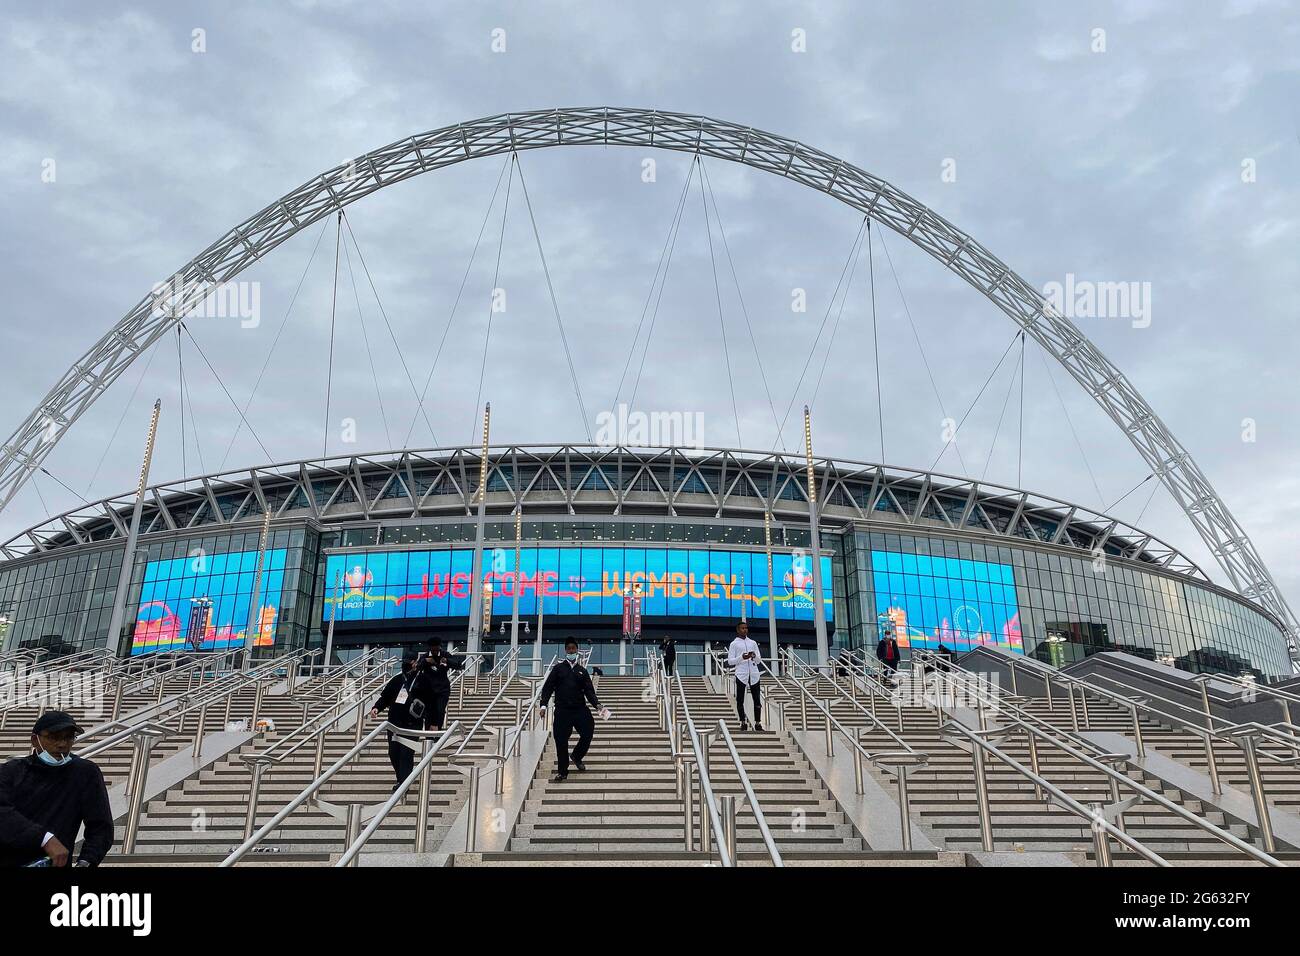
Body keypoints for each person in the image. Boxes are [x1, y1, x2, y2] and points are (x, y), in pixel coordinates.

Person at [0, 711, 113, 867]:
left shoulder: (85, 773)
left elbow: (100, 827)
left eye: (68, 737)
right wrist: (45, 838)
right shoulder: (11, 771)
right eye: (53, 737)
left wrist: (87, 861)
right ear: (35, 740)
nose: (62, 744)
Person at [539, 637, 608, 782]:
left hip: (579, 709)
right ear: (565, 651)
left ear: (576, 650)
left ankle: (576, 756)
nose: (571, 651)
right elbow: (548, 687)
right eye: (568, 648)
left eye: (573, 648)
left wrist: (597, 705)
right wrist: (543, 705)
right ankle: (562, 772)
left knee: (588, 731)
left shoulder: (582, 671)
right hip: (562, 710)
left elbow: (589, 691)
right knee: (561, 741)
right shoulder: (558, 669)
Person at [370, 655, 433, 791]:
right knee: (393, 752)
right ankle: (401, 778)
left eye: (413, 663)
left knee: (406, 753)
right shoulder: (397, 679)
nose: (410, 665)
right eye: (409, 663)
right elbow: (385, 697)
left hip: (412, 723)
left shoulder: (423, 680)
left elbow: (431, 701)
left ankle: (403, 783)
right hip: (393, 722)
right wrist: (376, 708)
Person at [420, 638, 464, 732]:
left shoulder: (445, 654)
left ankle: (437, 730)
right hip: (428, 690)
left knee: (440, 710)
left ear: (440, 647)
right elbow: (416, 668)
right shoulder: (425, 656)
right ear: (430, 648)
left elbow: (459, 665)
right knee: (429, 711)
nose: (435, 652)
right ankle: (428, 733)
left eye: (437, 649)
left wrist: (447, 661)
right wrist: (425, 661)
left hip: (442, 689)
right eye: (433, 650)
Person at [727, 621, 764, 732]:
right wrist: (742, 657)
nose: (745, 630)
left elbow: (759, 660)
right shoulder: (734, 644)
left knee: (757, 699)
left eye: (746, 628)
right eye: (742, 628)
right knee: (740, 699)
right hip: (741, 673)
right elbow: (730, 661)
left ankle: (758, 723)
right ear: (738, 630)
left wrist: (753, 656)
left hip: (753, 673)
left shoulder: (753, 642)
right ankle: (743, 722)